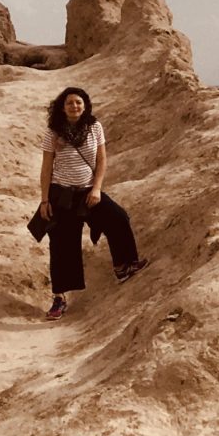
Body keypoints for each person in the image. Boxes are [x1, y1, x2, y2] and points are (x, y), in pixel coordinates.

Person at [36, 86, 148, 320]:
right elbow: (46, 167)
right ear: (62, 107)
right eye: (69, 103)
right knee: (62, 245)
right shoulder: (54, 132)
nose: (74, 106)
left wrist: (97, 188)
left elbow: (101, 159)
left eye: (78, 102)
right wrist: (45, 200)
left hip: (88, 191)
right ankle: (59, 298)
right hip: (62, 194)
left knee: (117, 217)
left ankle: (123, 266)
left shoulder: (94, 127)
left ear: (85, 105)